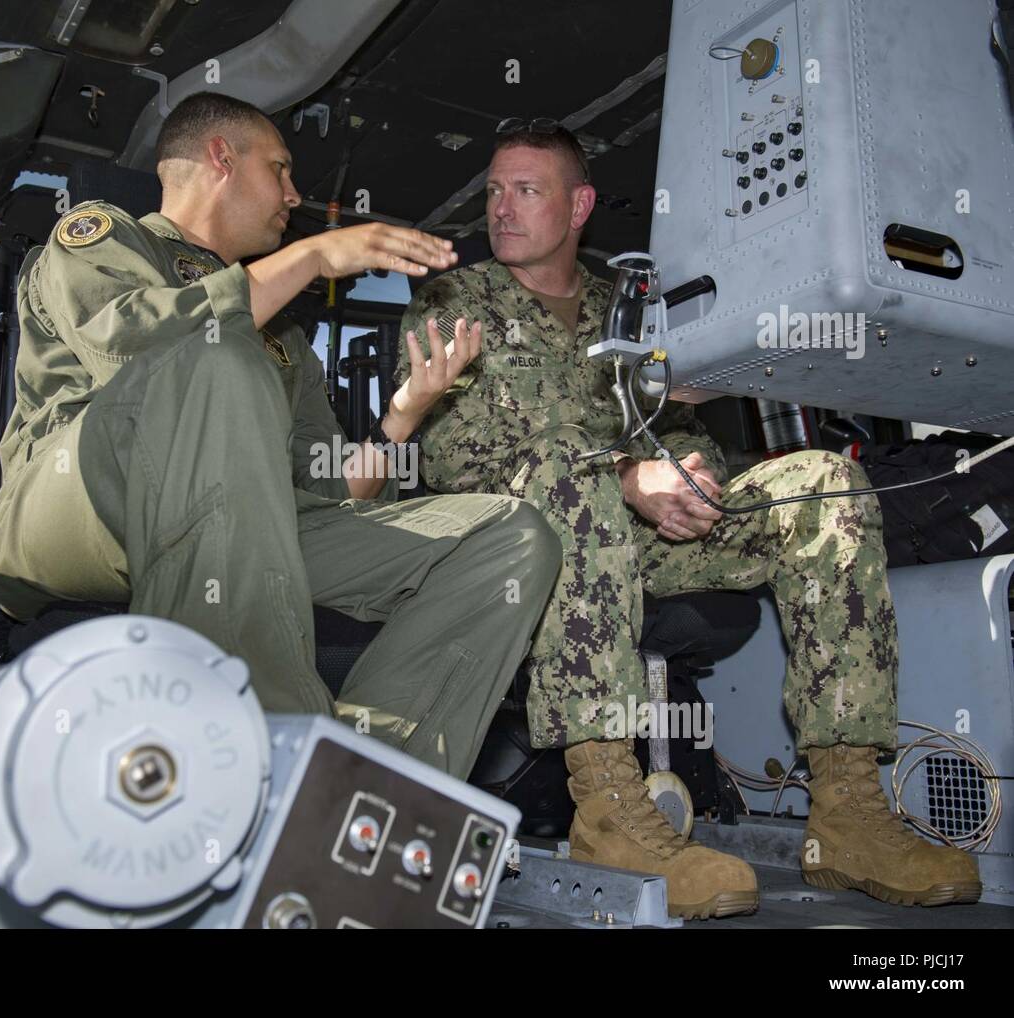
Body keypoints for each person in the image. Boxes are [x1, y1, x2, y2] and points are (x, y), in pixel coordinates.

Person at [398, 117, 980, 915]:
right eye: (496, 191)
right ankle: (607, 803)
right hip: (516, 548)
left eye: (526, 190)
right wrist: (627, 475)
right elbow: (454, 460)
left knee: (819, 486)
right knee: (569, 467)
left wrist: (687, 471)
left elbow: (672, 432)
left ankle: (847, 811)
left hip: (632, 544)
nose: (501, 207)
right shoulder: (456, 303)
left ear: (579, 207)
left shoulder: (631, 315)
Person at [0, 93, 562, 780]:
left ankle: (370, 784)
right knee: (217, 357)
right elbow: (140, 354)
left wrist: (406, 410)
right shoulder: (104, 234)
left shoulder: (283, 334)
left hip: (245, 518)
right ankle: (269, 752)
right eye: (280, 169)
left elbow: (330, 487)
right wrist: (312, 258)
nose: (293, 194)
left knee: (514, 538)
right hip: (76, 504)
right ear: (222, 157)